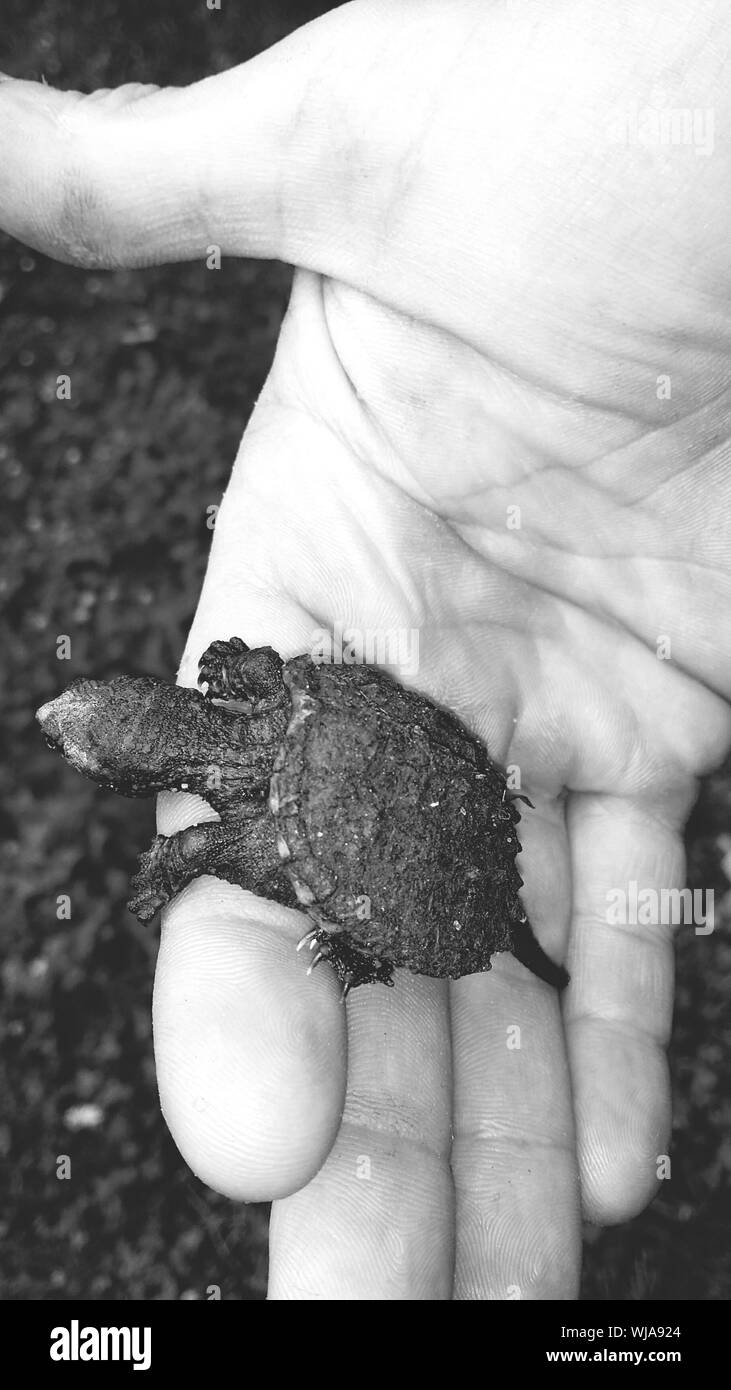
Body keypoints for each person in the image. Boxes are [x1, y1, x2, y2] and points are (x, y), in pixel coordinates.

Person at [2, 0, 729, 1300]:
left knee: (228, 902)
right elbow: (226, 722)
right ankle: (498, 941)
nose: (73, 717)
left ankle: (493, 943)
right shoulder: (262, 700)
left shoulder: (232, 811)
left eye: (81, 722)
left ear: (140, 749)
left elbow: (173, 858)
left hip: (410, 850)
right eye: (82, 720)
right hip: (397, 816)